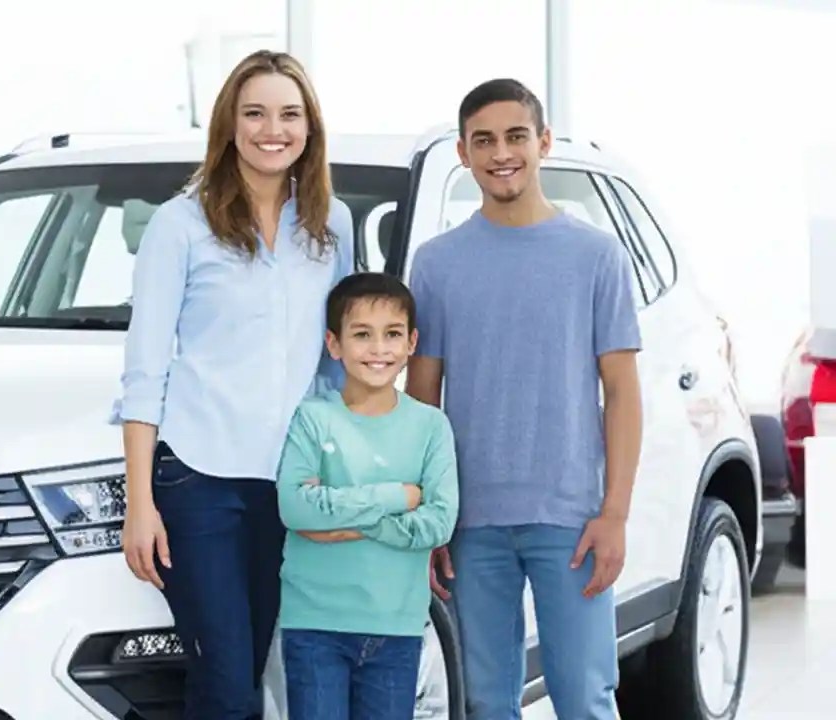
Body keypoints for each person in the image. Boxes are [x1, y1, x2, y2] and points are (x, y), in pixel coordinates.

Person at [113, 49, 354, 720]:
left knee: (249, 669)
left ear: (310, 127)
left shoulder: (332, 226)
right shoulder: (179, 226)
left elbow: (337, 362)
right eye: (254, 113)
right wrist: (140, 503)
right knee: (223, 682)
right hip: (199, 481)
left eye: (288, 113)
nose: (271, 129)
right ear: (229, 123)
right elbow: (145, 370)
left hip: (291, 484)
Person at [405, 78, 643, 719]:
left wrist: (614, 513)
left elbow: (621, 393)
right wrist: (430, 514)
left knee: (586, 696)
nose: (500, 152)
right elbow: (422, 399)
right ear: (463, 152)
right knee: (486, 702)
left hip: (571, 518)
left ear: (543, 142)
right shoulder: (436, 263)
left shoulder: (597, 257)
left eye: (515, 136)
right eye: (483, 140)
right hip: (469, 521)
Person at [274, 272, 459, 720]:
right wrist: (398, 495)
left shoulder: (431, 426)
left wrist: (337, 520)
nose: (379, 349)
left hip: (395, 626)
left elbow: (438, 523)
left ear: (412, 342)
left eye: (392, 334)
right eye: (362, 335)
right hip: (314, 624)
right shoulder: (312, 419)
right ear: (334, 344)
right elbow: (293, 507)